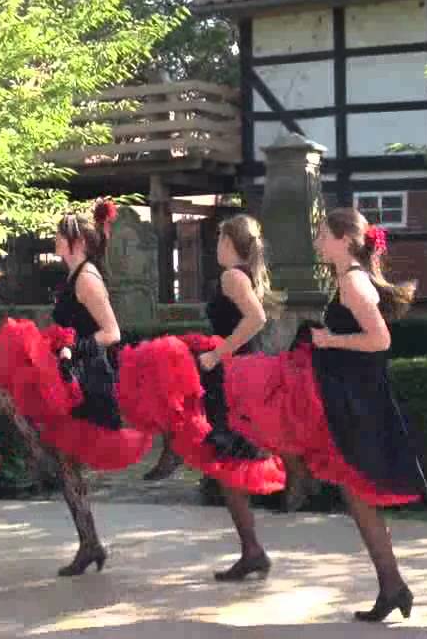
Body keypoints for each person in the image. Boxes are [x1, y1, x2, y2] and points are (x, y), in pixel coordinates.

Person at [225, 207, 427, 622]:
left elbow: (379, 340)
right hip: (343, 392)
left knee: (358, 494)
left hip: (352, 398)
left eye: (322, 233)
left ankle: (393, 585)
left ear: (344, 240)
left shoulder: (353, 281)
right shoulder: (348, 278)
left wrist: (330, 338)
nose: (317, 239)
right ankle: (392, 585)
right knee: (357, 496)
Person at [117, 214, 285, 581]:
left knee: (225, 459)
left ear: (232, 244)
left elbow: (255, 320)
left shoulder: (232, 276)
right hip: (242, 371)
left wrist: (216, 353)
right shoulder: (244, 275)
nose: (215, 246)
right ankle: (251, 549)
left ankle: (251, 549)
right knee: (227, 463)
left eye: (221, 239)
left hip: (233, 374)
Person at [0, 200, 153, 577]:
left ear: (75, 240)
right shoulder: (76, 274)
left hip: (87, 375)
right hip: (71, 372)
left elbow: (111, 332)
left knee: (64, 460)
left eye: (59, 235)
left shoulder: (86, 278)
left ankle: (88, 541)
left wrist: (71, 346)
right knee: (64, 462)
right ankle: (89, 542)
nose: (54, 239)